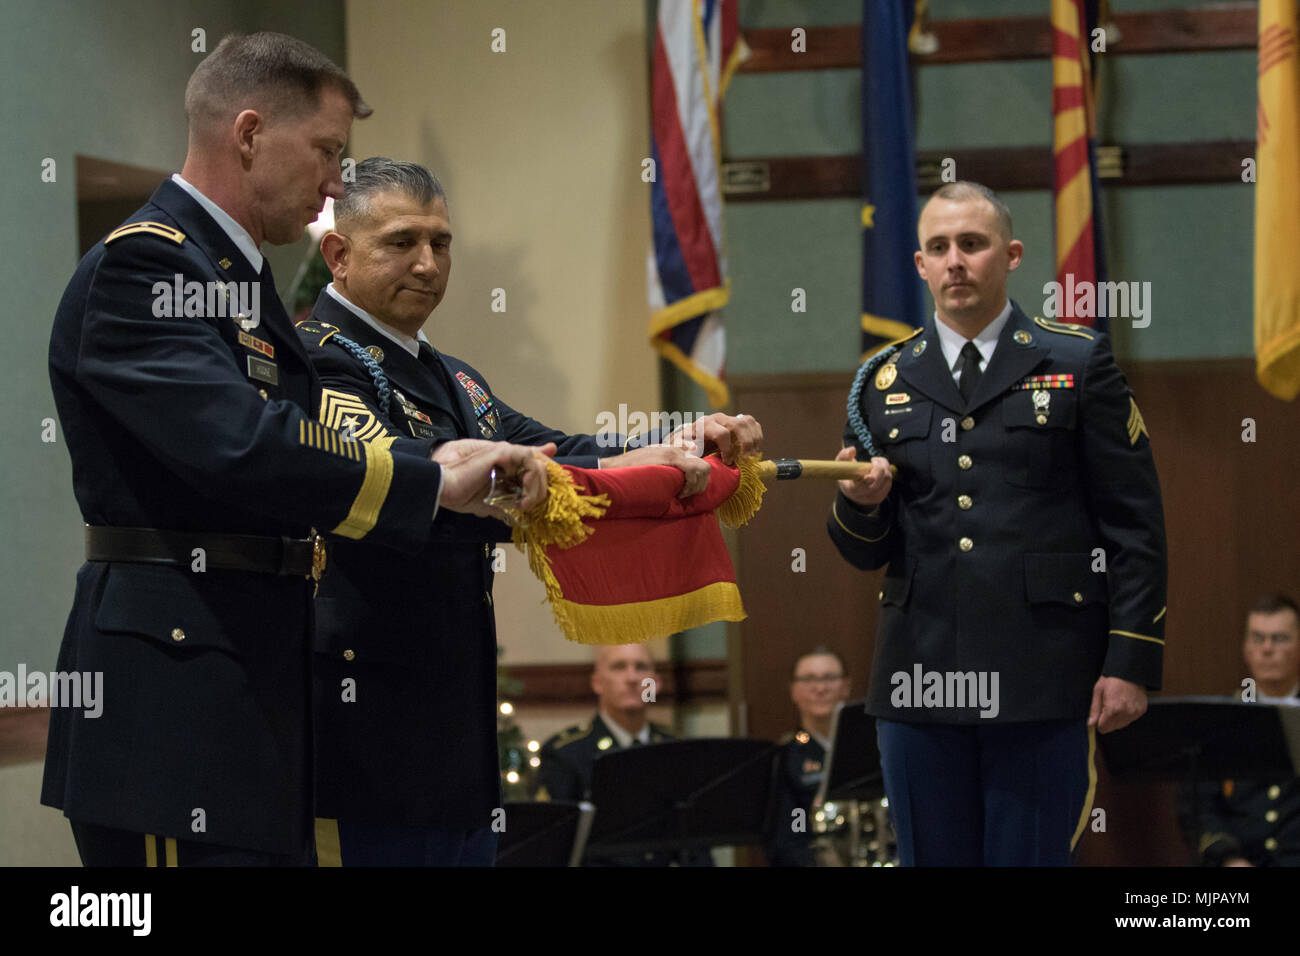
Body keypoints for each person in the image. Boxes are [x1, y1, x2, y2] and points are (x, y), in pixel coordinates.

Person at [41, 33, 553, 867]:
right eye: (325, 151)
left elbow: (301, 443)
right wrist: (426, 481)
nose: (332, 184)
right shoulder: (146, 267)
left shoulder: (235, 284)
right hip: (175, 698)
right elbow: (241, 446)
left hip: (253, 687)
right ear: (248, 135)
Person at [296, 158, 762, 865]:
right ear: (338, 254)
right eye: (400, 242)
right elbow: (409, 481)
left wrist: (669, 447)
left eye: (441, 243)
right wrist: (538, 475)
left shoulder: (454, 377)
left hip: (456, 733)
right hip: (365, 731)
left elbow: (563, 450)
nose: (427, 263)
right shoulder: (320, 361)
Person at [827, 181, 1167, 866]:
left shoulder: (1074, 363)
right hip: (918, 680)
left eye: (972, 244)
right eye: (939, 247)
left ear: (1010, 255)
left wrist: (1130, 661)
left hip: (1041, 675)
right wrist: (859, 507)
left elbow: (1135, 526)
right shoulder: (881, 381)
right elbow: (867, 551)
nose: (955, 261)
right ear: (919, 265)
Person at [1178, 594, 1300, 866]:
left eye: (1279, 638)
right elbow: (1198, 807)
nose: (1267, 649)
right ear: (1245, 648)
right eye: (1258, 638)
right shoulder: (1222, 723)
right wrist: (1229, 858)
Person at [765, 648, 851, 867]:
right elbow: (791, 833)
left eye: (829, 678)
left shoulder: (871, 749)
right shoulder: (786, 758)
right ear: (793, 690)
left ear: (845, 687)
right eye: (808, 679)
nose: (820, 688)